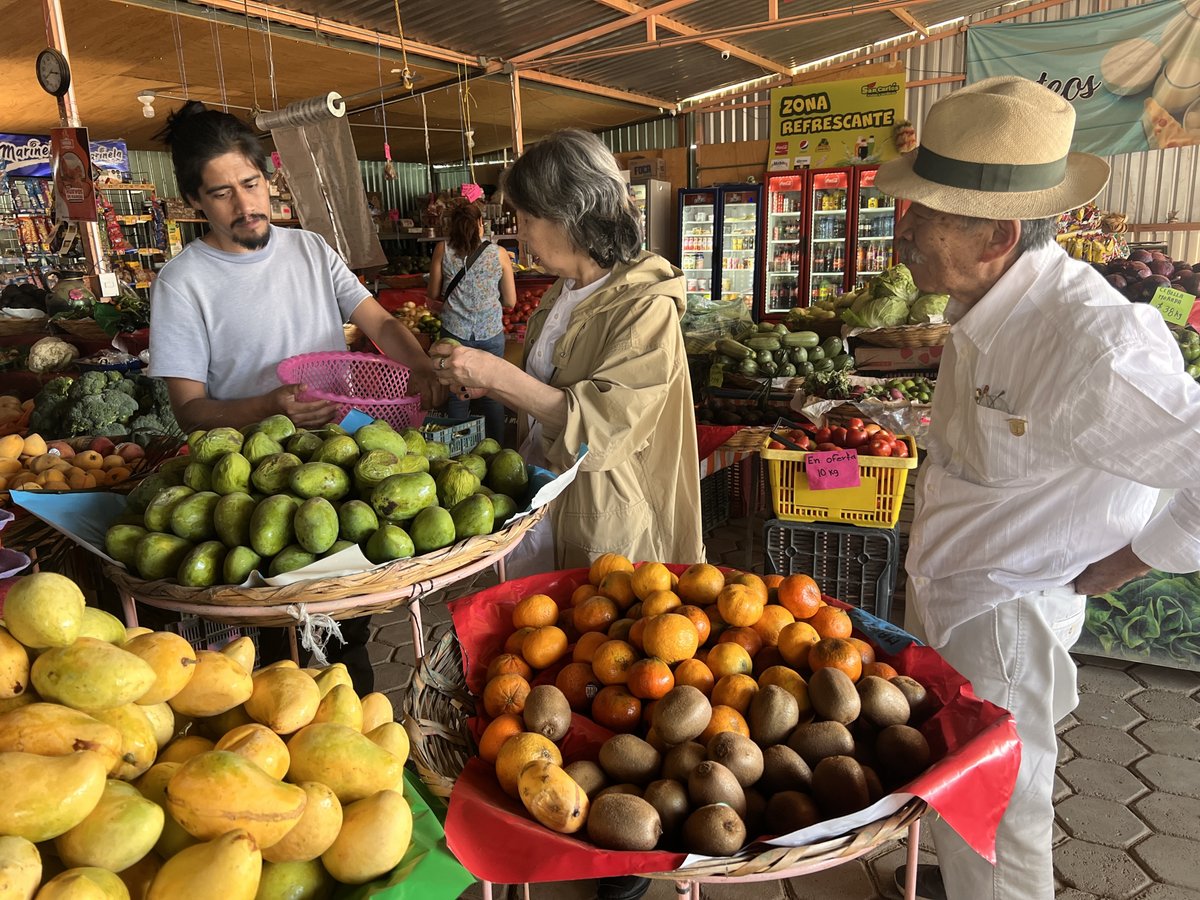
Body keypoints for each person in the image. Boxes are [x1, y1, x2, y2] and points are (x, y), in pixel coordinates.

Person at [875, 76, 1200, 900]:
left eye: (927, 213)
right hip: (954, 595)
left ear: (998, 234)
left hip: (1008, 617)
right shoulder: (987, 309)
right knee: (958, 790)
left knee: (1000, 817)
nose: (904, 229)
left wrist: (1137, 557)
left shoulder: (1092, 347)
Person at [431, 130, 705, 900]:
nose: (518, 235)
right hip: (551, 505)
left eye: (525, 219)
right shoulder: (564, 291)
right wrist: (492, 388)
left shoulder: (644, 303)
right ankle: (560, 820)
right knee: (557, 671)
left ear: (570, 214)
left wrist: (499, 377)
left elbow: (607, 426)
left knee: (616, 677)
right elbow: (548, 396)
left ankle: (624, 856)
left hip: (611, 515)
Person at [149, 101, 441, 693]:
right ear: (194, 201)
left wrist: (421, 367)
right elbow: (190, 410)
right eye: (222, 193)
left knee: (345, 639)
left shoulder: (311, 250)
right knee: (272, 660)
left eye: (251, 184)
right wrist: (268, 406)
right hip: (255, 486)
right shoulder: (182, 283)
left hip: (341, 461)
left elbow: (381, 323)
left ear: (269, 178)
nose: (244, 205)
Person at [426, 197, 516, 442]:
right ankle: (496, 449)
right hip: (490, 334)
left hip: (454, 334)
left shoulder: (443, 250)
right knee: (492, 394)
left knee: (457, 395)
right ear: (480, 224)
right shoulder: (498, 254)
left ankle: (458, 450)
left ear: (452, 225)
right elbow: (510, 300)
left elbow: (433, 293)